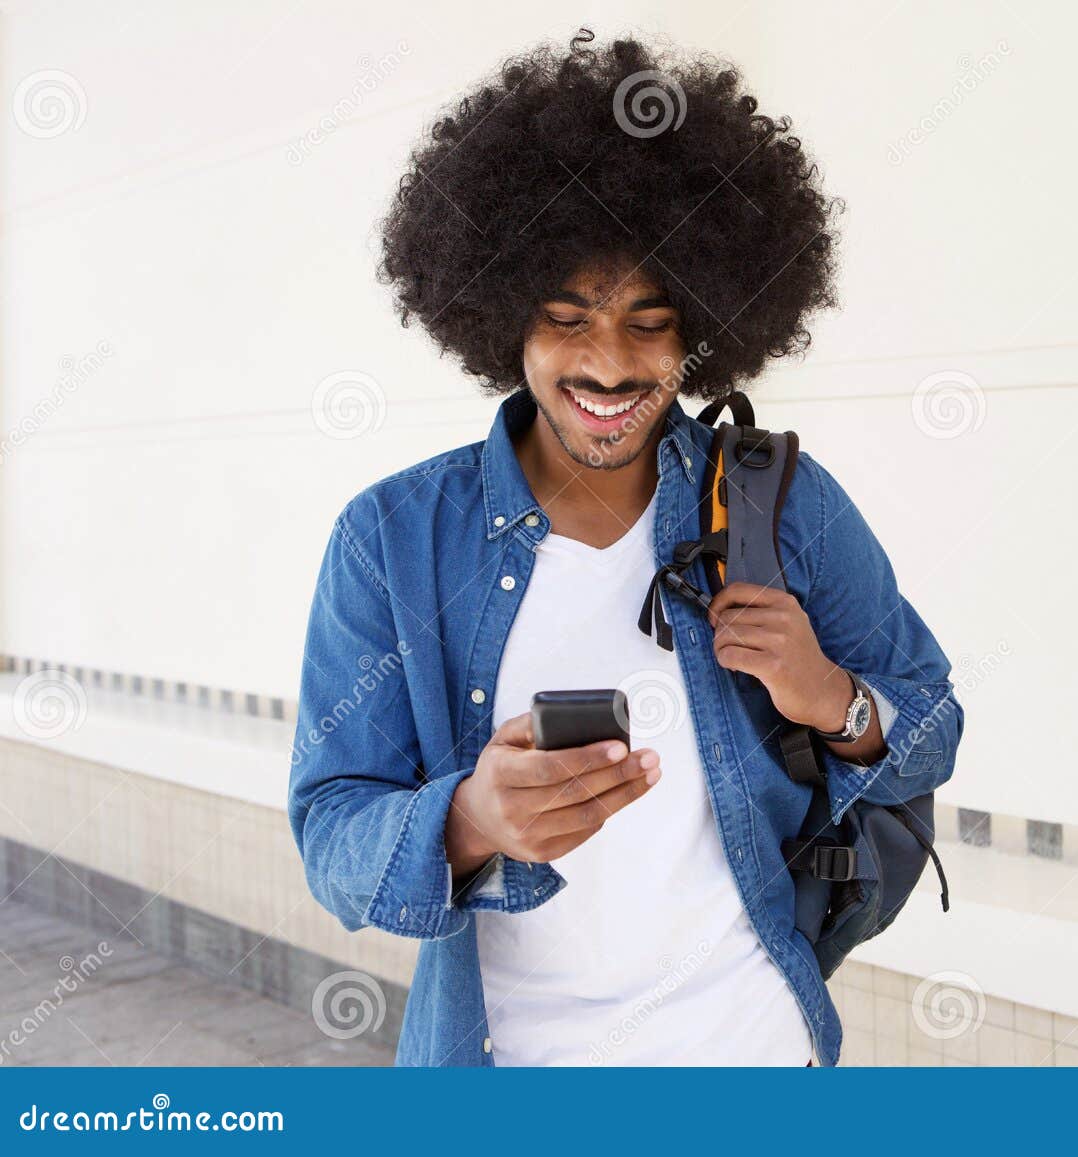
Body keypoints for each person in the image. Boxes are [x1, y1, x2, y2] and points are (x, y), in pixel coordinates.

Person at [287, 28, 962, 1067]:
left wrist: (832, 696)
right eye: (566, 318)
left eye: (651, 324)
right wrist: (468, 819)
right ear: (503, 320)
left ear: (704, 328)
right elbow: (331, 833)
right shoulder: (391, 538)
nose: (609, 363)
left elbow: (932, 725)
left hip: (755, 1051)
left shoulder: (782, 504)